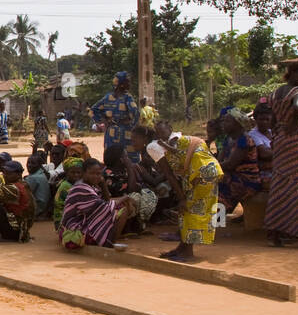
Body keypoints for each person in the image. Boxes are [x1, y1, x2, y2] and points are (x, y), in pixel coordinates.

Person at [264, 63, 298, 248]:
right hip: (297, 141)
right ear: (293, 73)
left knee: (280, 185)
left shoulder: (275, 94)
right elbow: (297, 107)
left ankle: (275, 234)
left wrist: (278, 129)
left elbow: (271, 117)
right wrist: (293, 123)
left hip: (281, 141)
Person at [152, 127, 223, 262]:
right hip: (202, 173)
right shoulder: (174, 141)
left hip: (202, 174)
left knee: (191, 211)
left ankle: (188, 252)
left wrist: (182, 198)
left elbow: (170, 175)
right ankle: (182, 248)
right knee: (186, 212)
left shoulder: (153, 147)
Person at [60, 159, 135, 250]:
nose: (96, 176)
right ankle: (109, 243)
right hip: (75, 229)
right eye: (92, 173)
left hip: (83, 223)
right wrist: (125, 198)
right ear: (83, 173)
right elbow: (104, 206)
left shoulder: (89, 186)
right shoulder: (80, 188)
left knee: (119, 206)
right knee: (123, 210)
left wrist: (103, 183)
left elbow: (105, 202)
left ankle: (106, 239)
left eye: (98, 174)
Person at [216, 107, 264, 214]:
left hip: (247, 180)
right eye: (223, 121)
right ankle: (217, 220)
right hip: (234, 176)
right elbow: (219, 161)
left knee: (222, 187)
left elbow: (230, 164)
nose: (223, 124)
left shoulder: (244, 140)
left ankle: (217, 220)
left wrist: (211, 168)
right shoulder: (228, 139)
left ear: (238, 124)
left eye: (227, 121)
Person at [90, 72, 140, 164]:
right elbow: (136, 112)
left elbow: (93, 110)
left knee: (111, 158)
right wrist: (132, 125)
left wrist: (104, 121)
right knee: (129, 159)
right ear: (121, 84)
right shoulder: (127, 97)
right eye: (127, 82)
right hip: (125, 133)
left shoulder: (108, 97)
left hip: (111, 133)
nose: (129, 84)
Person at [51, 157, 84, 233]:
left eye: (78, 172)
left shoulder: (75, 184)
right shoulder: (66, 186)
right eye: (73, 172)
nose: (76, 175)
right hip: (64, 222)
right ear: (66, 173)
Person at [23, 152, 51, 220]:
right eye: (28, 163)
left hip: (38, 208)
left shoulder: (33, 178)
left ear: (39, 165)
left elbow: (24, 194)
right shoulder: (41, 174)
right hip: (43, 206)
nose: (29, 165)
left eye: (33, 163)